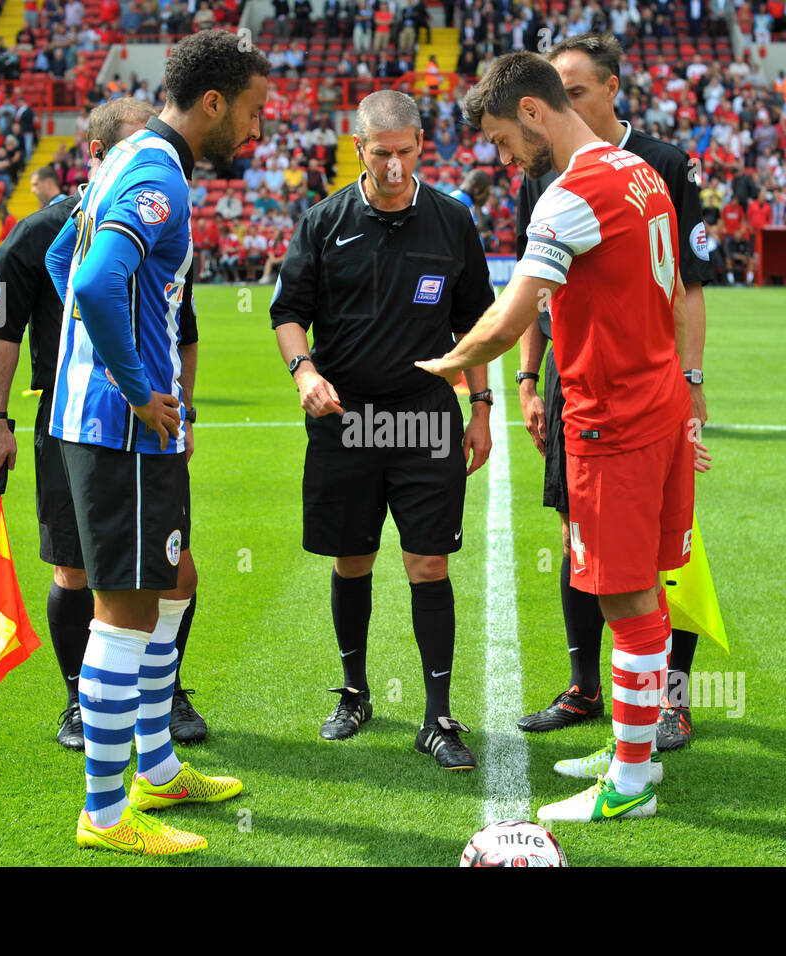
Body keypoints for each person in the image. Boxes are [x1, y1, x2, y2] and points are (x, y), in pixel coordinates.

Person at [422, 51, 695, 823]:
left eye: (507, 140)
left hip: (616, 416)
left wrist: (445, 363)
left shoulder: (570, 193)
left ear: (534, 114)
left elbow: (511, 317)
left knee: (624, 593)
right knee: (643, 584)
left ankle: (633, 784)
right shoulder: (639, 171)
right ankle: (631, 746)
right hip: (660, 398)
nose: (507, 157)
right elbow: (664, 290)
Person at [45, 30, 269, 855]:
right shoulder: (156, 173)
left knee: (174, 577)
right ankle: (105, 816)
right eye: (251, 112)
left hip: (112, 426)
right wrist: (141, 389)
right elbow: (97, 281)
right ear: (212, 102)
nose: (255, 132)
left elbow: (69, 254)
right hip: (121, 433)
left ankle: (159, 767)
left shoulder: (126, 155)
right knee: (127, 610)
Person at [270, 89, 495, 770]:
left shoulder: (453, 222)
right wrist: (304, 371)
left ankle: (437, 716)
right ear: (358, 148)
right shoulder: (323, 221)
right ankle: (356, 691)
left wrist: (481, 407)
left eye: (404, 153)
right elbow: (287, 312)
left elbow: (478, 326)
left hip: (427, 418)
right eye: (380, 153)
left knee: (429, 561)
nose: (394, 167)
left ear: (421, 146)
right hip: (346, 419)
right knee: (352, 558)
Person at [513, 34, 713, 752]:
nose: (564, 107)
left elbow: (688, 285)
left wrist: (691, 384)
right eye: (554, 94)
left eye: (578, 92)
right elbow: (539, 292)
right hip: (580, 387)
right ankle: (586, 687)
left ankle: (672, 702)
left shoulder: (659, 163)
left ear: (613, 88)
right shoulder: (542, 170)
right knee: (578, 535)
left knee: (660, 554)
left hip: (646, 389)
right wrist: (530, 380)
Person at [0, 97, 157, 753]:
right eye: (128, 146)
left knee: (166, 568)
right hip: (68, 415)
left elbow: (185, 329)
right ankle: (80, 700)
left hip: (149, 420)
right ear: (94, 154)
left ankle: (160, 697)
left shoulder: (160, 221)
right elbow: (0, 330)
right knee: (75, 570)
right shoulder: (40, 232)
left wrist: (185, 409)